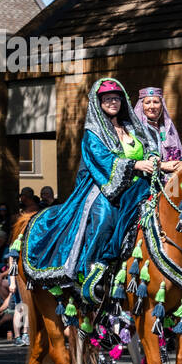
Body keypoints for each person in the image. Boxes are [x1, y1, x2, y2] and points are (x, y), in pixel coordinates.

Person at [21, 78, 163, 303]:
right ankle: (91, 271)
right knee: (104, 216)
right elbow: (101, 159)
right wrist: (135, 165)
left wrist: (154, 158)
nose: (113, 102)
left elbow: (149, 147)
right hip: (104, 184)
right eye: (107, 99)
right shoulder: (93, 133)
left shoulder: (132, 127)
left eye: (116, 98)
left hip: (141, 183)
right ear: (98, 103)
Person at [134, 87, 182, 165]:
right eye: (147, 102)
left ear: (162, 105)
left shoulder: (168, 128)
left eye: (156, 102)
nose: (152, 106)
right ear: (142, 106)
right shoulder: (135, 130)